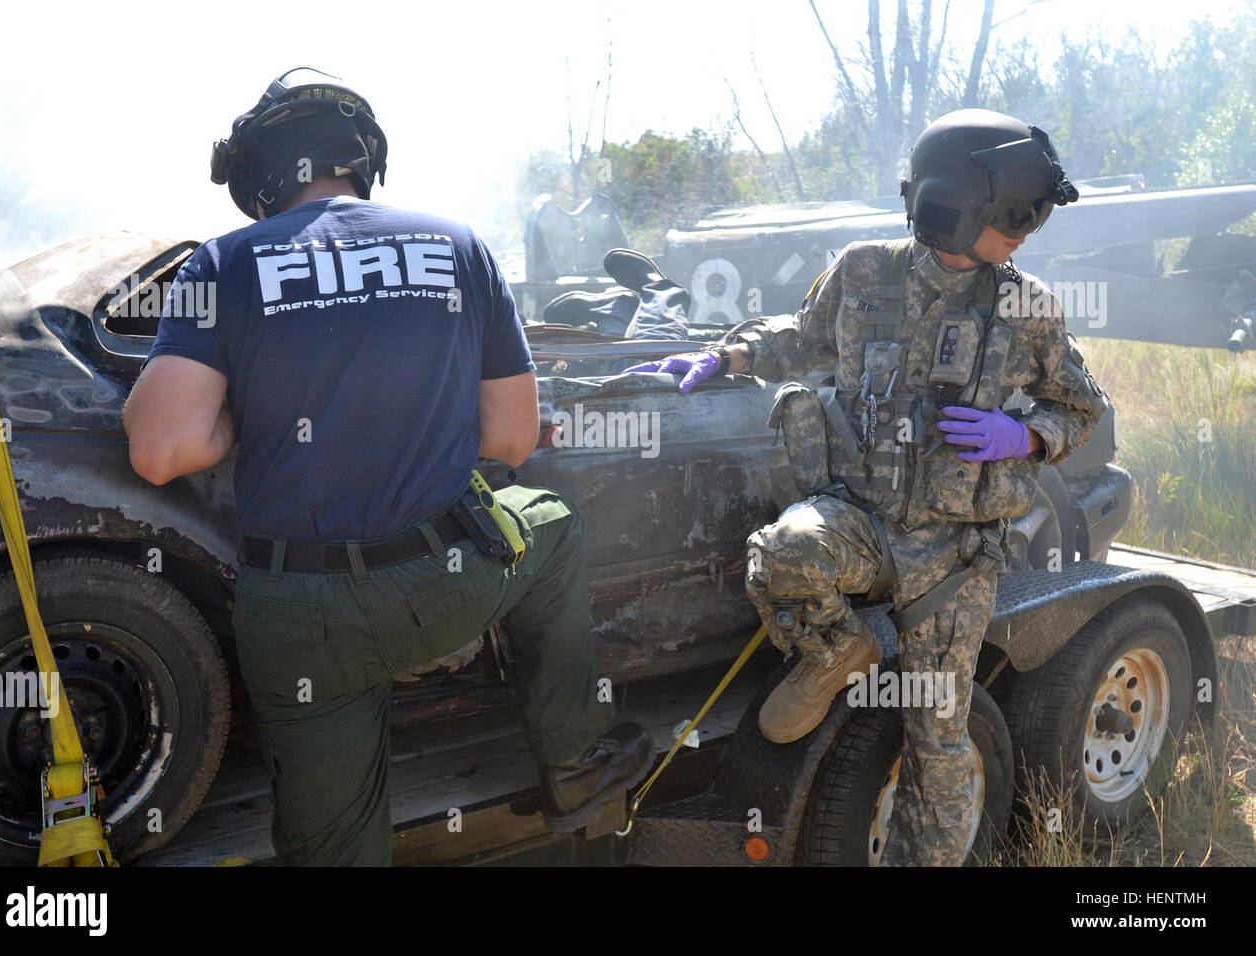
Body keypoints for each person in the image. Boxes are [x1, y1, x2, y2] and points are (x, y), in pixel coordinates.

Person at [122, 68, 652, 865]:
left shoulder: (223, 264)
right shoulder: (459, 246)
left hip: (299, 618)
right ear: (363, 158)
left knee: (331, 848)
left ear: (261, 178)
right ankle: (575, 764)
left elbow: (160, 450)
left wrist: (247, 406)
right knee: (556, 528)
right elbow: (510, 440)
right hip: (445, 585)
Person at [625, 109, 1108, 865]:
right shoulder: (862, 273)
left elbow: (1082, 407)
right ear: (955, 207)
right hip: (859, 519)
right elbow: (801, 338)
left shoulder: (1027, 305)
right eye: (1017, 213)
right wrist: (727, 356)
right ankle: (837, 653)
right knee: (783, 553)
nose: (1027, 232)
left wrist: (1027, 434)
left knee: (936, 740)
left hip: (953, 554)